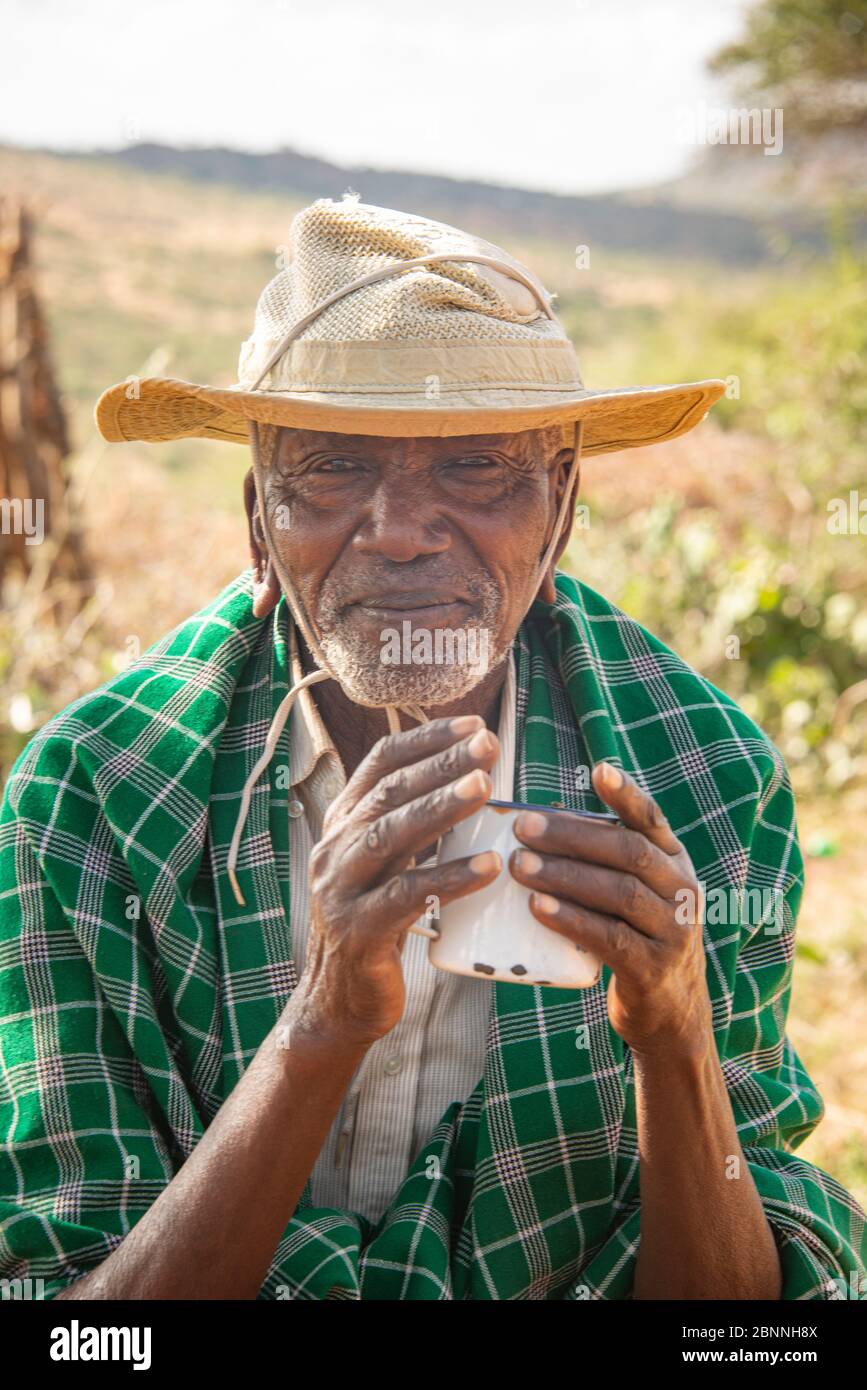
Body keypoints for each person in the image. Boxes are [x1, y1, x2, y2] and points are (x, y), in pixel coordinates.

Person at [1, 197, 864, 1301]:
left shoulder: (703, 773)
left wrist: (677, 1037)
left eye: (474, 468)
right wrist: (320, 1028)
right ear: (258, 520)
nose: (399, 528)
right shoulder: (95, 794)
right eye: (330, 467)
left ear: (560, 509)